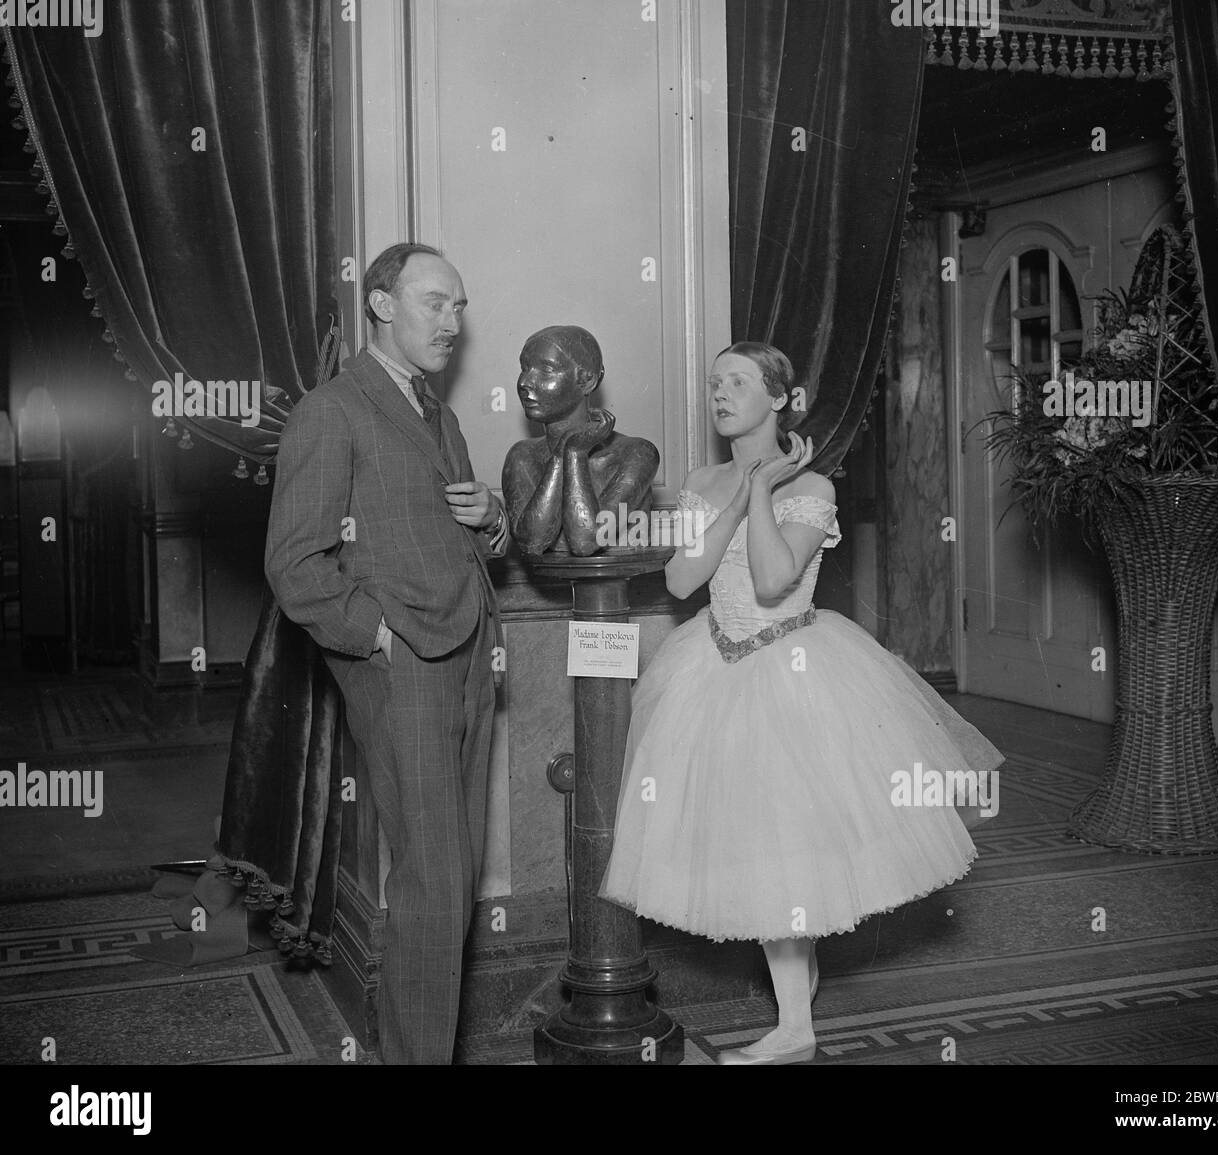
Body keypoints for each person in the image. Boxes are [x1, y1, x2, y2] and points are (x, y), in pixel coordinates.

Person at [599, 341, 1003, 1065]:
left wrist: (762, 492)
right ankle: (798, 996)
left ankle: (794, 1029)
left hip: (790, 668)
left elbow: (774, 577)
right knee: (759, 842)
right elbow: (687, 578)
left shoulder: (815, 486)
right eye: (716, 381)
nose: (720, 393)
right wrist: (738, 490)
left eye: (739, 382)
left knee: (784, 844)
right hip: (712, 664)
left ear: (782, 399)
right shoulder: (701, 477)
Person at [264, 243, 508, 1065]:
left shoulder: (433, 411)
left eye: (459, 306)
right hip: (405, 667)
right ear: (379, 303)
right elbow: (295, 563)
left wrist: (494, 517)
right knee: (434, 885)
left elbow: (460, 534)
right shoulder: (331, 410)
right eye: (436, 302)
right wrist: (378, 637)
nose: (453, 321)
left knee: (451, 882)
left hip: (469, 655)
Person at [502, 325, 659, 556]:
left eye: (546, 370)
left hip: (618, 588)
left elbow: (585, 541)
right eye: (524, 368)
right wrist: (560, 455)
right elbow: (533, 542)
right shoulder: (521, 456)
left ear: (587, 381)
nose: (525, 381)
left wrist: (575, 454)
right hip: (556, 588)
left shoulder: (636, 453)